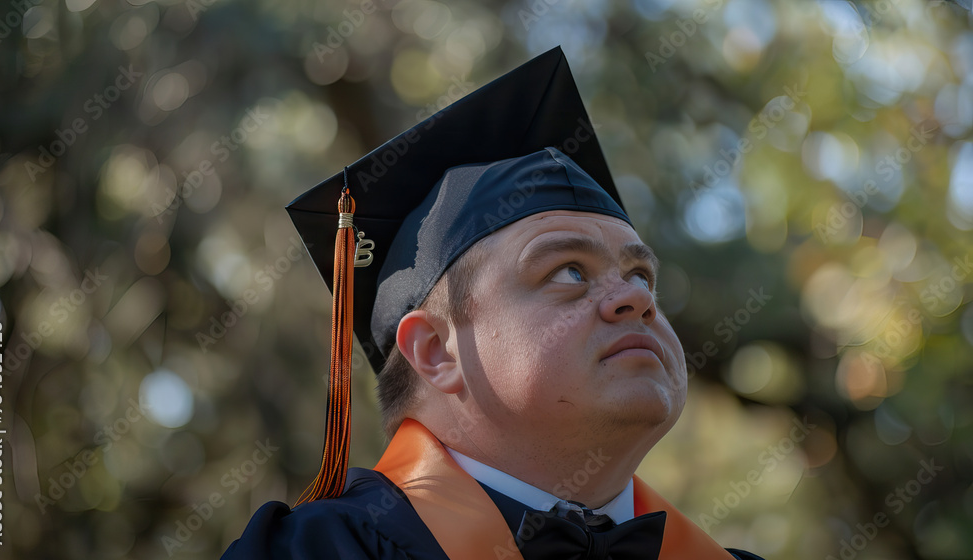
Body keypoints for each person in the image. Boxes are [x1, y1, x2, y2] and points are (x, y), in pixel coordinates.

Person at [221, 46, 765, 560]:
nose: (637, 299)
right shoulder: (317, 550)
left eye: (641, 274)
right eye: (569, 271)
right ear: (436, 350)